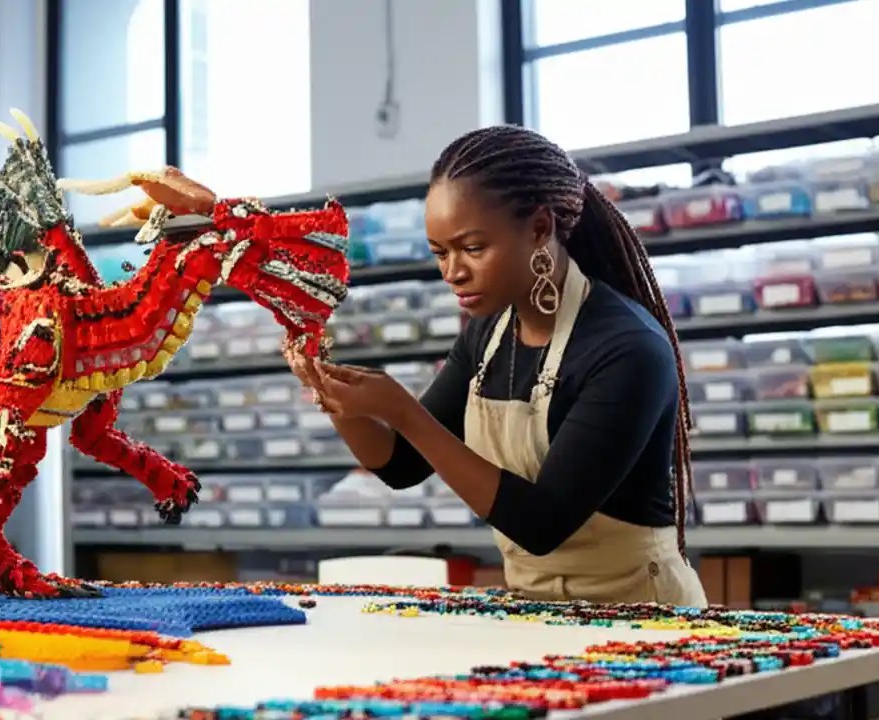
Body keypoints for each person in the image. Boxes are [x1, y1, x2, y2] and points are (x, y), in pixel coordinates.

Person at [288, 124, 708, 608]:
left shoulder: (627, 348)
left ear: (539, 228)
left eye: (472, 248)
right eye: (440, 253)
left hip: (645, 611)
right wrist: (334, 395)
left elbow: (541, 523)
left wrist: (404, 411)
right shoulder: (486, 336)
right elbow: (401, 465)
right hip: (539, 609)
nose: (453, 272)